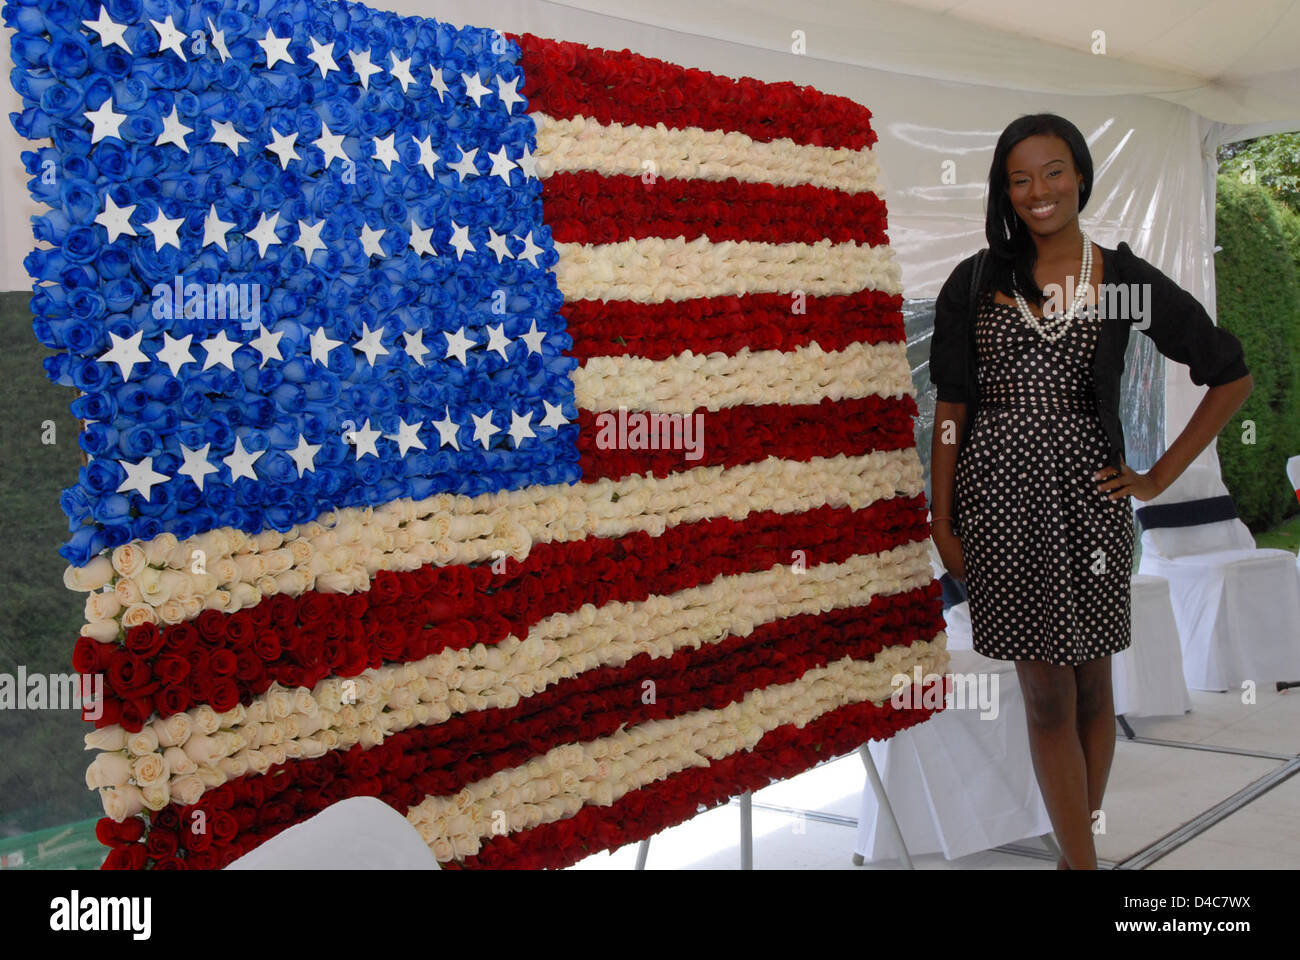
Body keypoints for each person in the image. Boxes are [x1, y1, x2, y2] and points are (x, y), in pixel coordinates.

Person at [927, 113, 1253, 870]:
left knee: (1095, 687)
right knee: (1045, 693)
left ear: (1079, 175)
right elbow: (950, 411)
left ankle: (1080, 842)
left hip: (1090, 505)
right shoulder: (977, 281)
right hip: (997, 505)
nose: (1039, 191)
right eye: (1020, 178)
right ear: (1004, 193)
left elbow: (1227, 374)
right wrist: (943, 519)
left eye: (1053, 171)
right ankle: (1083, 862)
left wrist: (1159, 476)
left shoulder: (1123, 282)